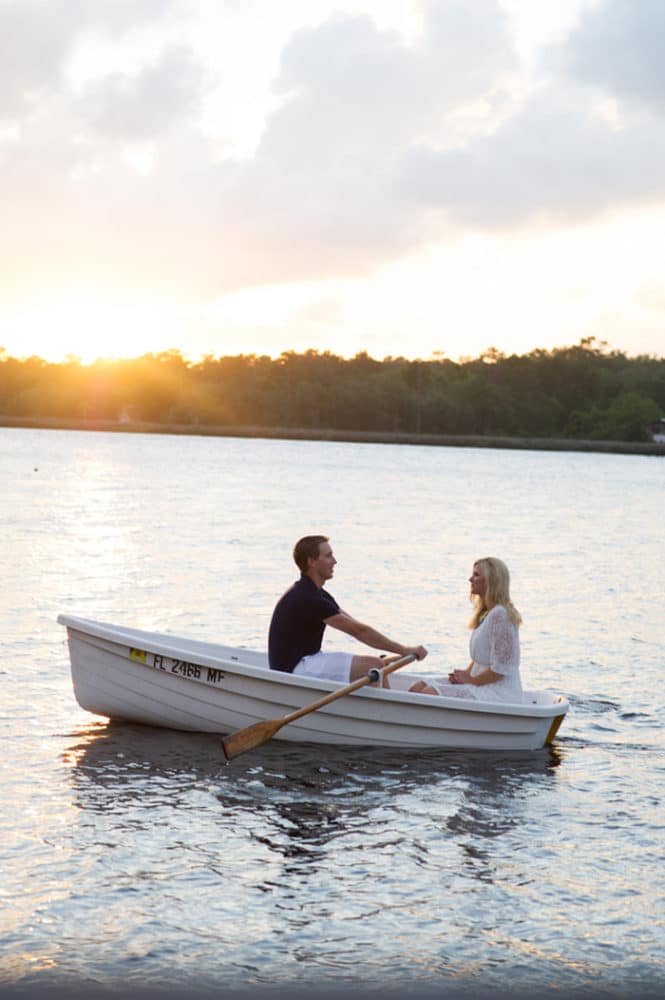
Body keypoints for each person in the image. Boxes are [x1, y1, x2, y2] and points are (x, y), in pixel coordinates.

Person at [268, 535, 428, 683]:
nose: (335, 561)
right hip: (293, 669)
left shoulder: (317, 593)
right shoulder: (308, 597)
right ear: (311, 561)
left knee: (376, 664)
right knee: (374, 666)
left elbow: (353, 623)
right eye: (328, 556)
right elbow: (360, 632)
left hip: (307, 661)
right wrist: (404, 650)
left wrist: (399, 651)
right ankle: (389, 712)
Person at [409, 557, 523, 703]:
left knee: (427, 694)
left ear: (491, 580)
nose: (470, 579)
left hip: (497, 692)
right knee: (418, 688)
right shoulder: (485, 613)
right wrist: (465, 675)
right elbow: (481, 659)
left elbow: (502, 668)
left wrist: (472, 680)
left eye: (476, 575)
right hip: (479, 683)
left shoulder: (501, 615)